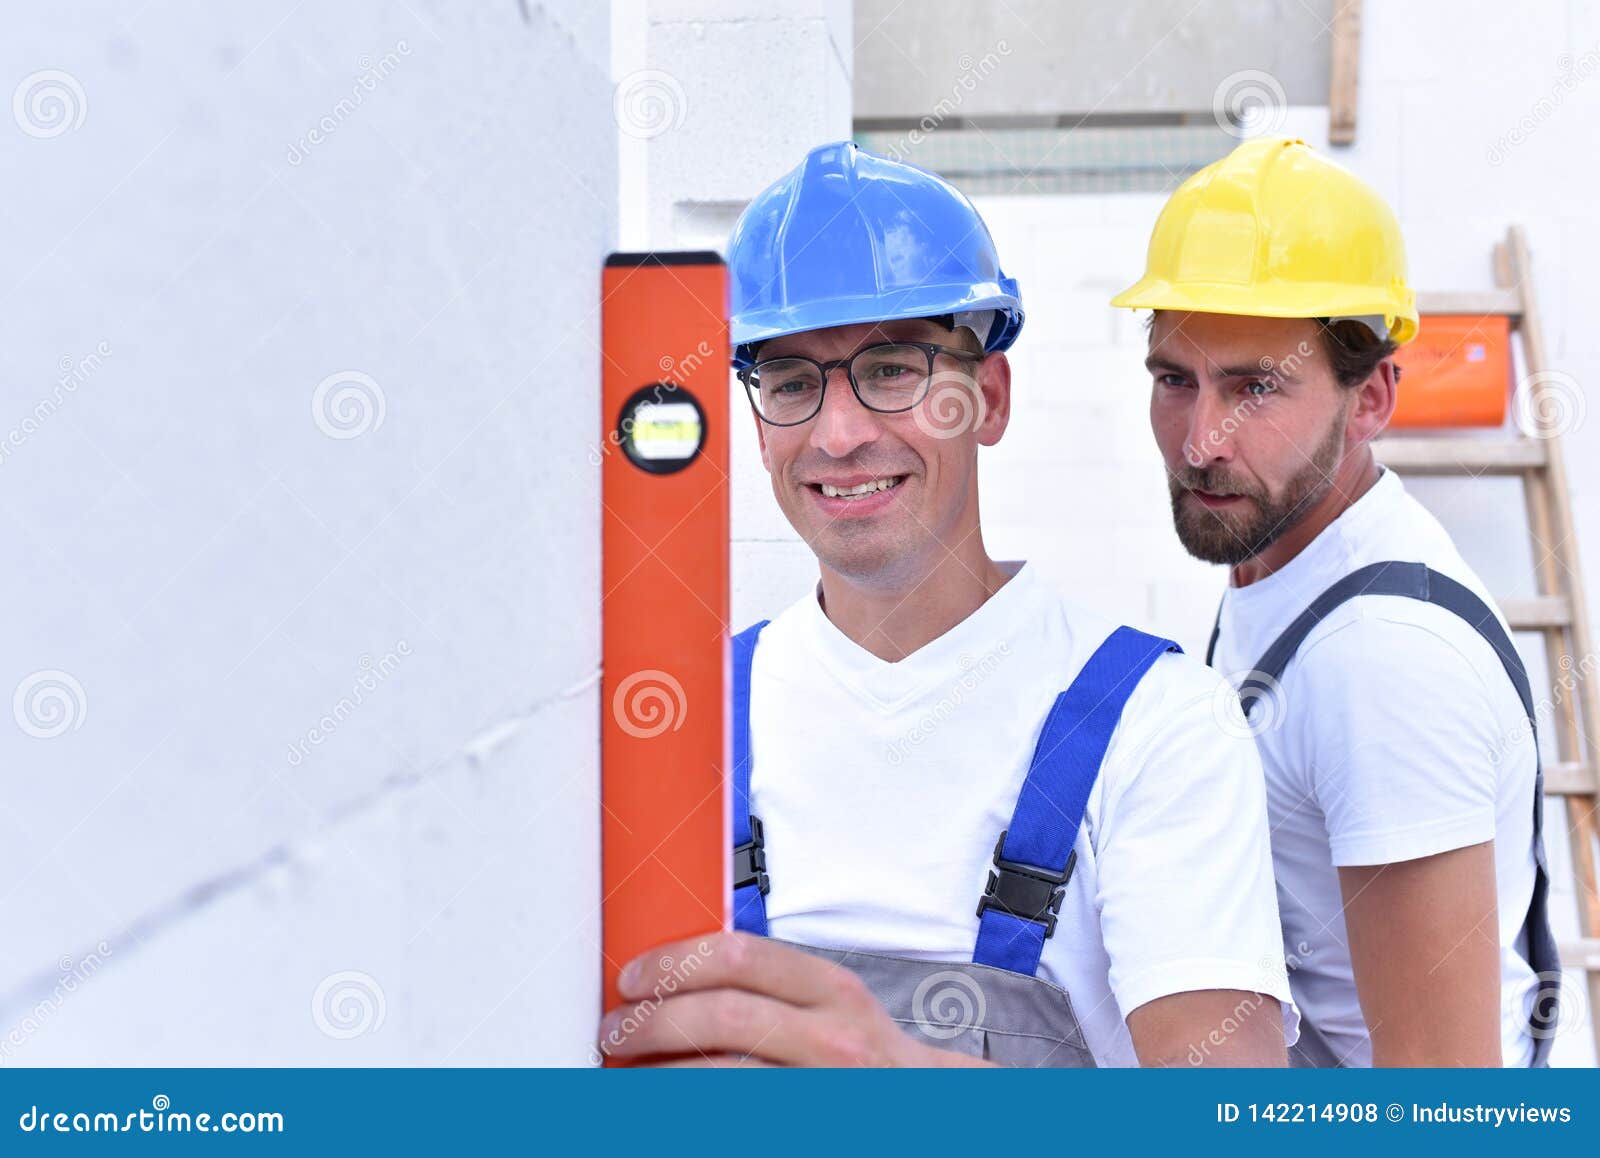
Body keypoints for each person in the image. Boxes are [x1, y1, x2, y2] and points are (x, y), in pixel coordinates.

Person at [599, 141, 1296, 1067]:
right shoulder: (686, 717)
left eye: (892, 370)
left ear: (990, 399)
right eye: (791, 382)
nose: (839, 435)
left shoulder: (1158, 725)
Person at [1113, 136, 1561, 1067]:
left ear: (1371, 399)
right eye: (1174, 379)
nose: (1200, 441)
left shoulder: (1384, 662)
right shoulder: (1280, 564)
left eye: (1255, 388)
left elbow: (1446, 1111)